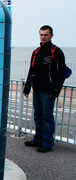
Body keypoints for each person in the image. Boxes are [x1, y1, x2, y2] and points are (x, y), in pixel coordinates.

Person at [23, 25, 66, 153]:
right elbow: (32, 71)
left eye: (46, 35)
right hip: (36, 90)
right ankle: (38, 139)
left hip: (48, 92)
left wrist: (55, 90)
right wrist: (27, 87)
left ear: (51, 35)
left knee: (47, 117)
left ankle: (47, 143)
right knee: (37, 116)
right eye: (41, 35)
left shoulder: (56, 51)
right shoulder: (36, 52)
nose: (43, 37)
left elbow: (61, 73)